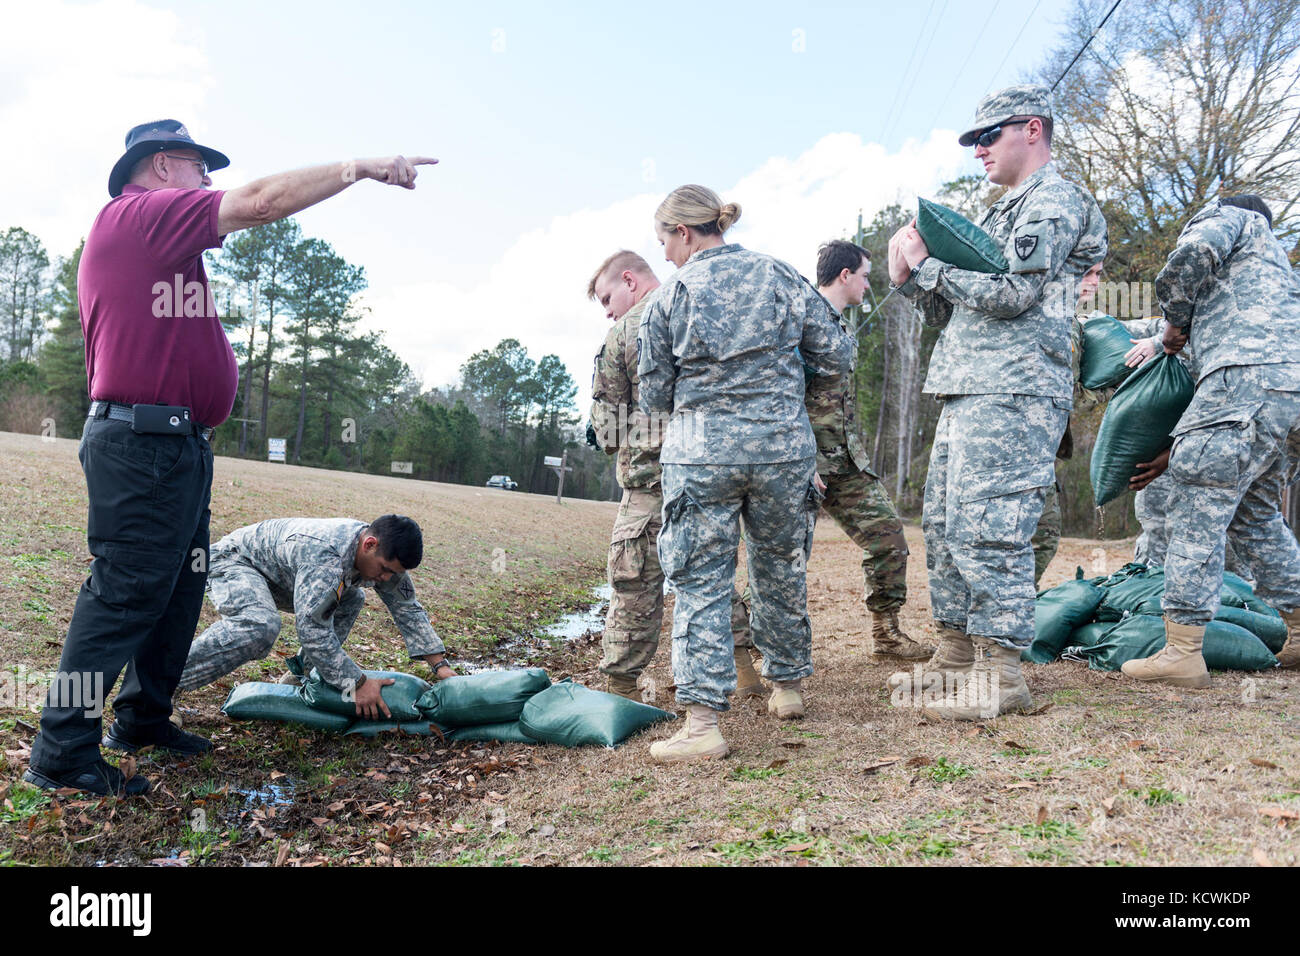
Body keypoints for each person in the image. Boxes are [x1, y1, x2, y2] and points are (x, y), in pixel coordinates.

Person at [24, 119, 437, 797]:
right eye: (198, 167)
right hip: (141, 447)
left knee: (179, 591)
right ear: (160, 167)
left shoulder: (163, 242)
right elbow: (261, 201)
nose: (208, 182)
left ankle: (142, 719)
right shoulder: (140, 215)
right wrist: (358, 166)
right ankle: (62, 749)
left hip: (178, 449)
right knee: (121, 595)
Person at [887, 85, 1107, 719]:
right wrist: (907, 275)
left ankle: (1002, 676)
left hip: (1015, 390)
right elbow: (949, 307)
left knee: (992, 527)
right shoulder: (999, 213)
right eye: (974, 141)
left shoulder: (1055, 200)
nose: (978, 151)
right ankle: (956, 655)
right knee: (947, 525)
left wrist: (929, 267)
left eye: (988, 136)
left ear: (1031, 130)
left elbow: (1013, 293)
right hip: (969, 384)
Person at [637, 185, 852, 762]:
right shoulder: (781, 276)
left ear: (685, 232)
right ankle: (786, 687)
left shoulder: (672, 295)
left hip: (703, 454)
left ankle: (704, 723)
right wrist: (778, 390)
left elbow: (654, 394)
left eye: (663, 240)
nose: (663, 254)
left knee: (701, 581)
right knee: (781, 564)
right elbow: (835, 356)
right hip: (782, 449)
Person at [1121, 195, 1300, 684]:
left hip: (1246, 384)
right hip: (1289, 401)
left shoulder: (1232, 219)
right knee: (1257, 517)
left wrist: (1174, 321)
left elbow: (1192, 254)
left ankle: (1181, 650)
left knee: (1195, 506)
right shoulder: (1278, 278)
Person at [587, 252, 761, 701]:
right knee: (712, 576)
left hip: (650, 483)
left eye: (607, 297)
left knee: (634, 584)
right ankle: (746, 675)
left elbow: (608, 432)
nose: (608, 309)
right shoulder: (705, 311)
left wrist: (629, 427)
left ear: (630, 280)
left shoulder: (625, 333)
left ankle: (621, 690)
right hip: (710, 477)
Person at [176, 516, 451, 714]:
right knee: (260, 626)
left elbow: (407, 607)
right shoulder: (326, 557)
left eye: (393, 573)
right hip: (236, 561)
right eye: (384, 569)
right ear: (369, 544)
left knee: (352, 596)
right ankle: (162, 688)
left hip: (281, 575)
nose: (385, 579)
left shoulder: (380, 557)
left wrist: (440, 666)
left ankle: (300, 677)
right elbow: (312, 631)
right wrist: (356, 684)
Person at [809, 239, 926, 659]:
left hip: (844, 460)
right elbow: (780, 393)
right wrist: (803, 460)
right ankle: (746, 651)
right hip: (802, 463)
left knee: (888, 537)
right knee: (781, 561)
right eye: (864, 277)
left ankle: (886, 633)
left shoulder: (839, 325)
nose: (868, 287)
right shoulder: (801, 318)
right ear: (844, 275)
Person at [1030, 262, 1163, 585]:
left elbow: (1075, 386)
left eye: (1098, 274)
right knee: (1032, 537)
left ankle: (1006, 618)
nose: (1093, 282)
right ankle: (995, 622)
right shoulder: (1037, 317)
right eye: (1085, 273)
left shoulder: (1083, 325)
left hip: (1040, 449)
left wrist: (1156, 347)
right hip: (1018, 443)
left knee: (1042, 536)